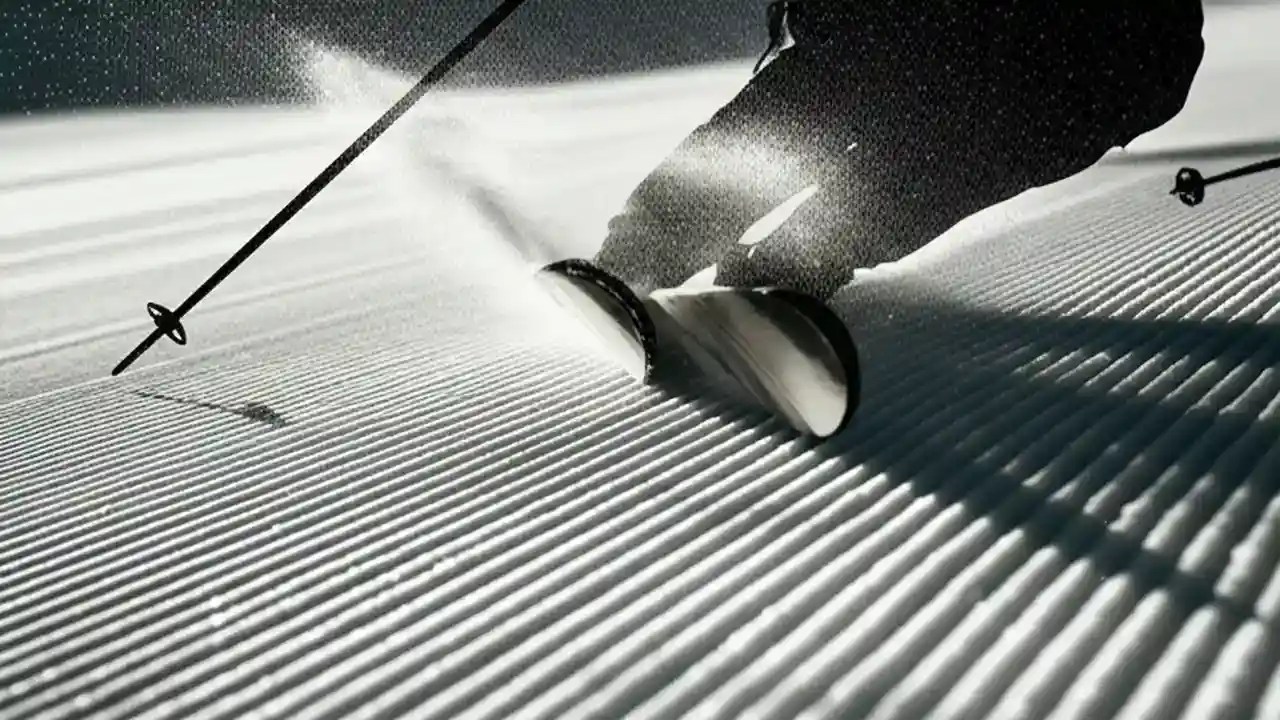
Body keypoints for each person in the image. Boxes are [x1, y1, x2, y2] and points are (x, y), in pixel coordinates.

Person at [591, 0, 1205, 300]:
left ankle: (780, 277)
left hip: (1075, 62)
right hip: (968, 39)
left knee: (943, 153)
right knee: (825, 97)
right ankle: (646, 251)